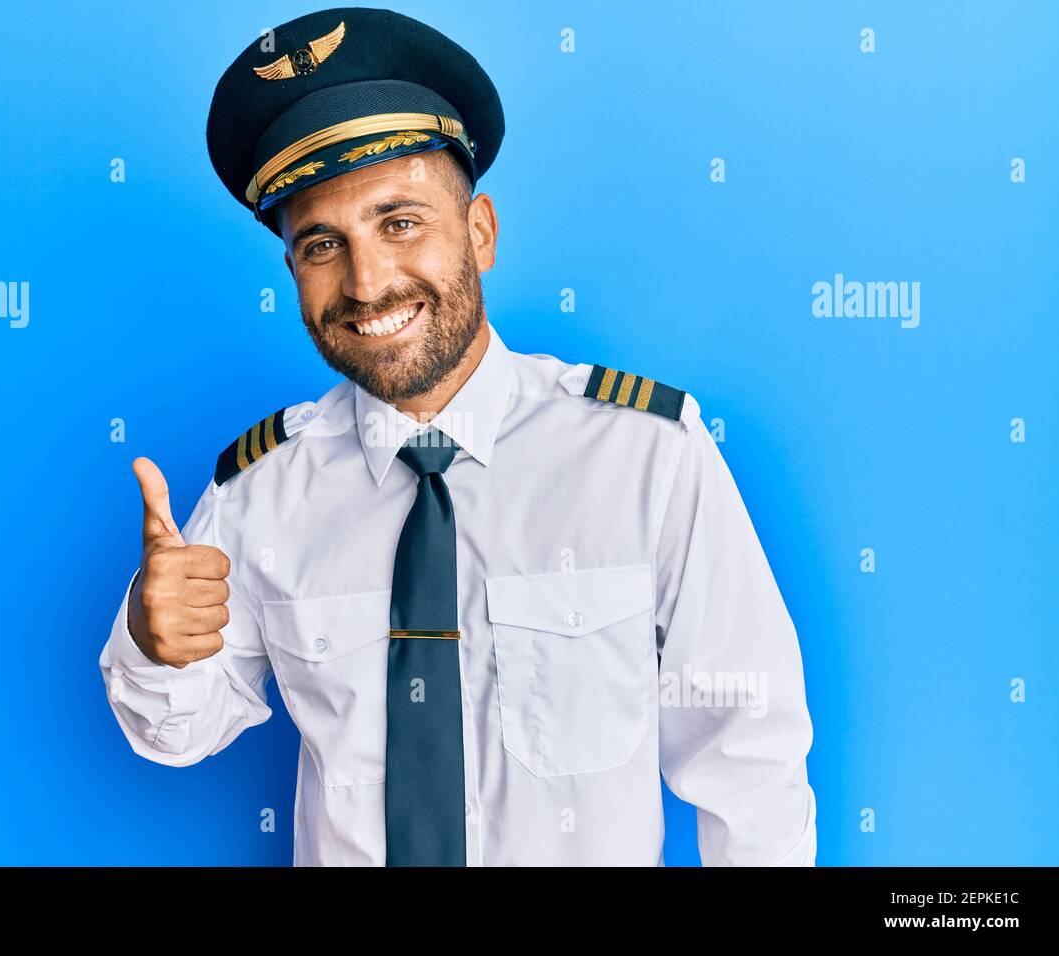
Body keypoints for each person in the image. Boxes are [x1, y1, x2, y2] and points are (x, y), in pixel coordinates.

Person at [98, 6, 817, 866]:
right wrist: (153, 644)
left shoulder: (646, 453)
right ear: (293, 269)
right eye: (324, 244)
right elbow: (174, 736)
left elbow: (750, 756)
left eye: (400, 223)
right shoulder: (259, 490)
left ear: (479, 233)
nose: (367, 282)